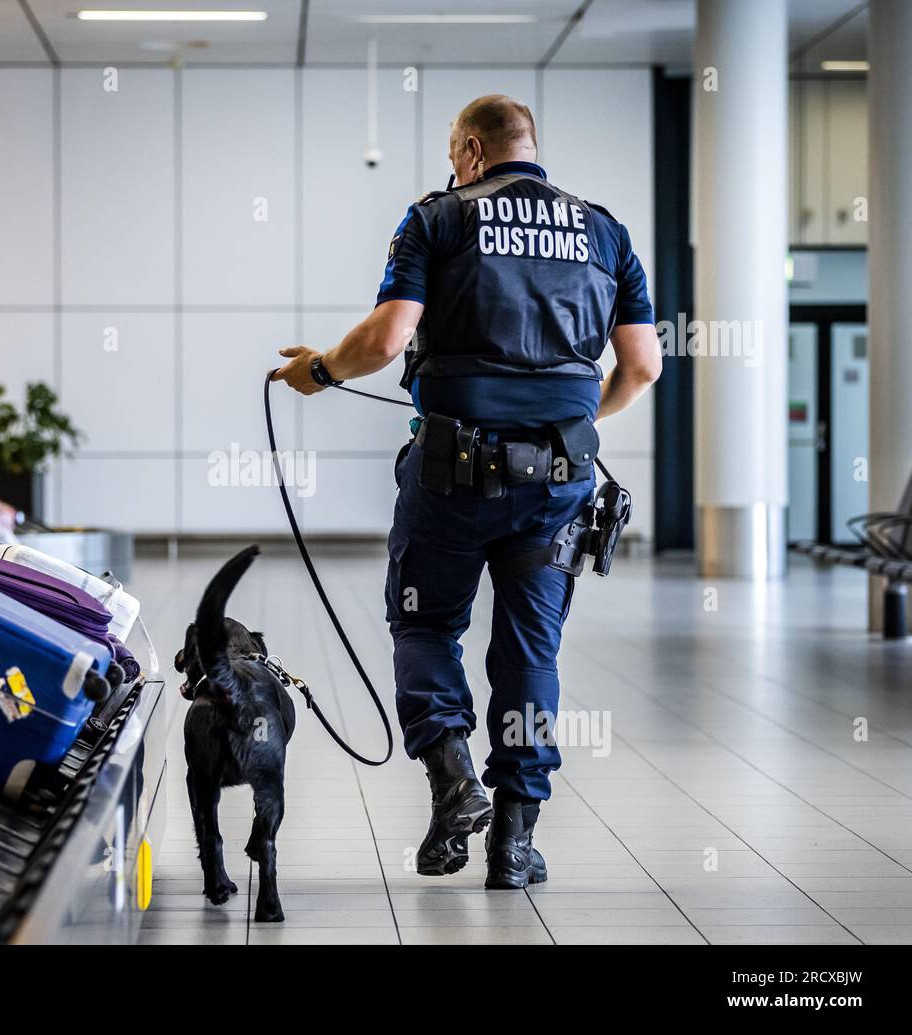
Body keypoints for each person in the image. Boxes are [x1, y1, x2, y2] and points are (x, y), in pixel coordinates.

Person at [271, 94, 661, 889]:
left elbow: (385, 339)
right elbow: (644, 364)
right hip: (557, 482)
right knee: (530, 652)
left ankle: (453, 780)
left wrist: (318, 371)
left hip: (451, 472)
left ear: (475, 151)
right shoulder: (604, 229)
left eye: (455, 153)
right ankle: (515, 842)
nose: (452, 168)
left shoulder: (438, 219)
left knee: (424, 624)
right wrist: (579, 421)